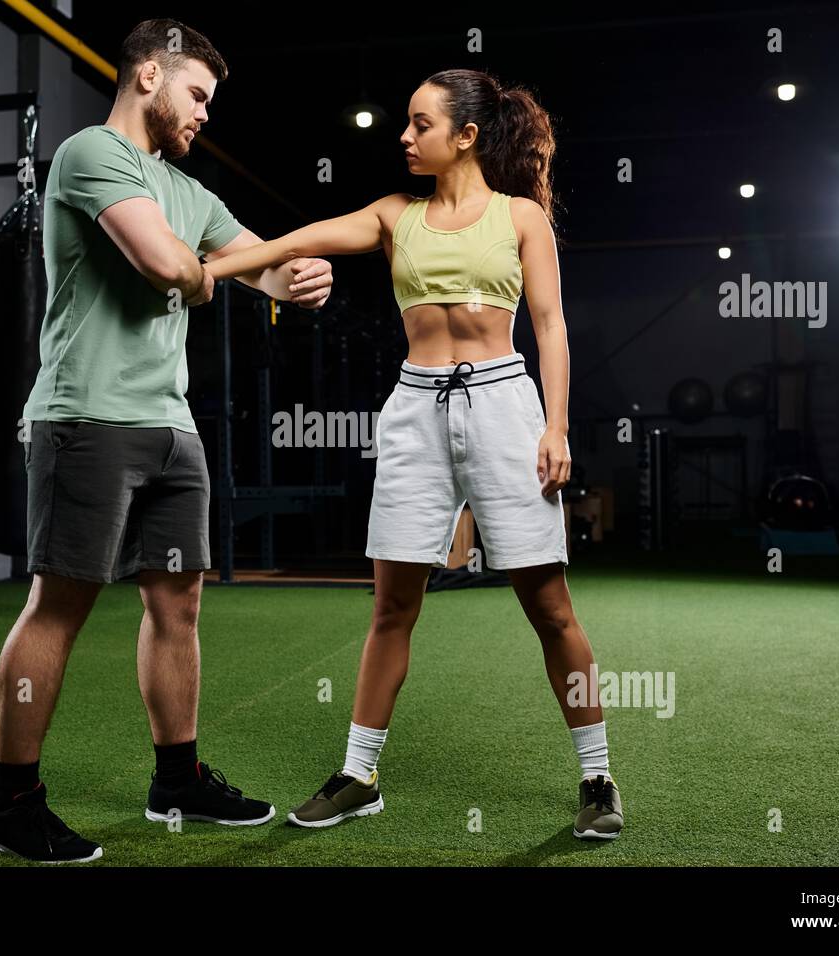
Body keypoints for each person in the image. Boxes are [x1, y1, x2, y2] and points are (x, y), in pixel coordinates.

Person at [202, 68, 623, 840]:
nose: (404, 135)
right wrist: (207, 270)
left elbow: (552, 326)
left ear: (465, 135)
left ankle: (598, 780)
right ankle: (358, 775)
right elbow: (297, 240)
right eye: (405, 122)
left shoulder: (521, 217)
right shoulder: (396, 215)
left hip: (504, 407)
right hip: (414, 412)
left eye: (419, 124)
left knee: (551, 608)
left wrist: (556, 427)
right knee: (392, 605)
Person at [0, 18, 334, 862]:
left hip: (171, 426)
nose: (205, 113)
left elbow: (260, 262)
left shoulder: (191, 193)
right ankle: (7, 800)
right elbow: (167, 267)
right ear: (146, 76)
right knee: (60, 605)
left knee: (178, 602)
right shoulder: (90, 155)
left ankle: (178, 777)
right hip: (87, 416)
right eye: (196, 94)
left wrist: (297, 272)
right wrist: (215, 272)